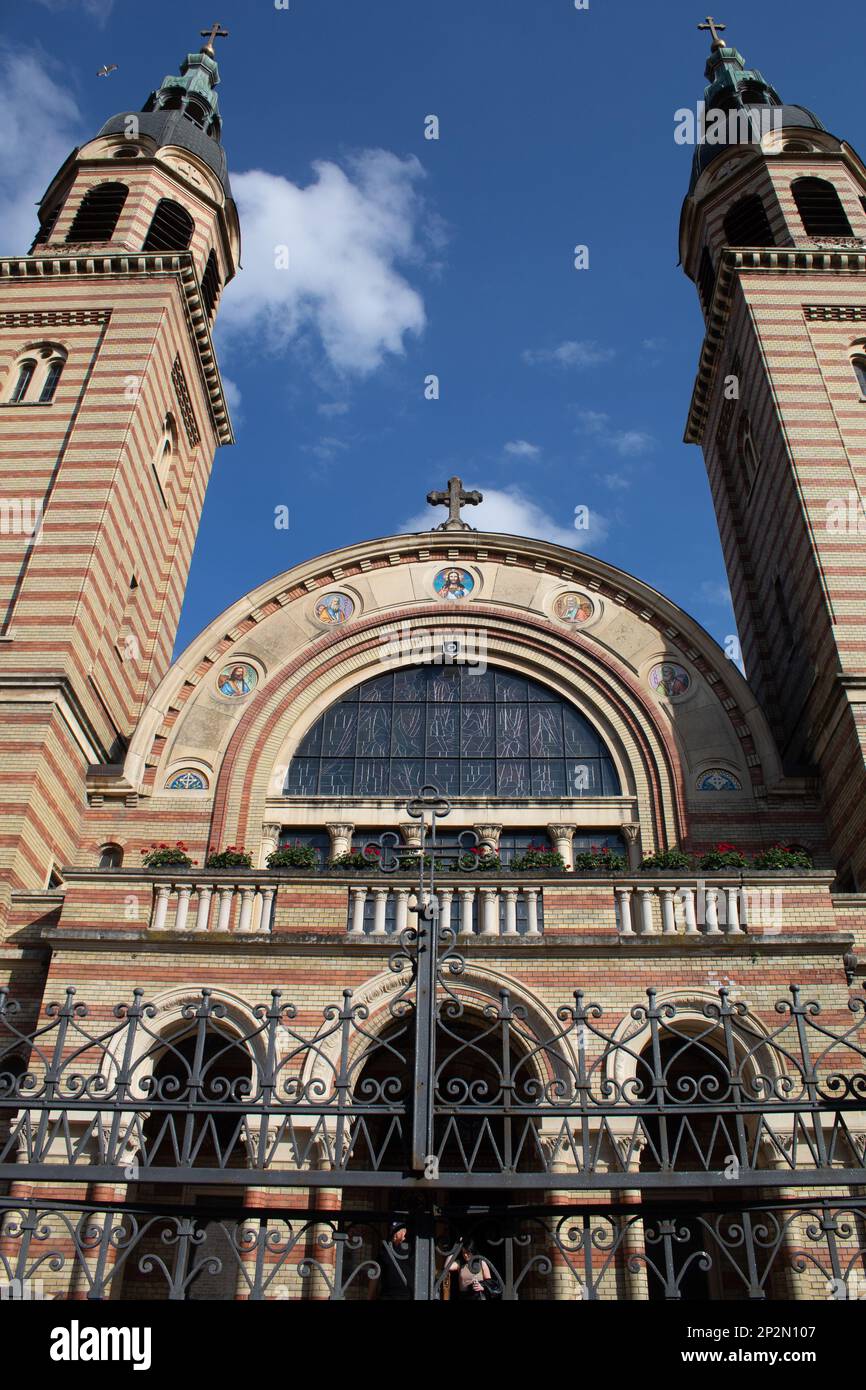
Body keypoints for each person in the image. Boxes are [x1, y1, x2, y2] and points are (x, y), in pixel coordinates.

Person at [369, 1223, 414, 1300]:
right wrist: (370, 1296)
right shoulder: (386, 1249)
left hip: (408, 1296)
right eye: (392, 1229)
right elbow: (375, 1274)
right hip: (388, 1296)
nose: (394, 1234)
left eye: (397, 1230)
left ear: (404, 1232)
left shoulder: (413, 1250)